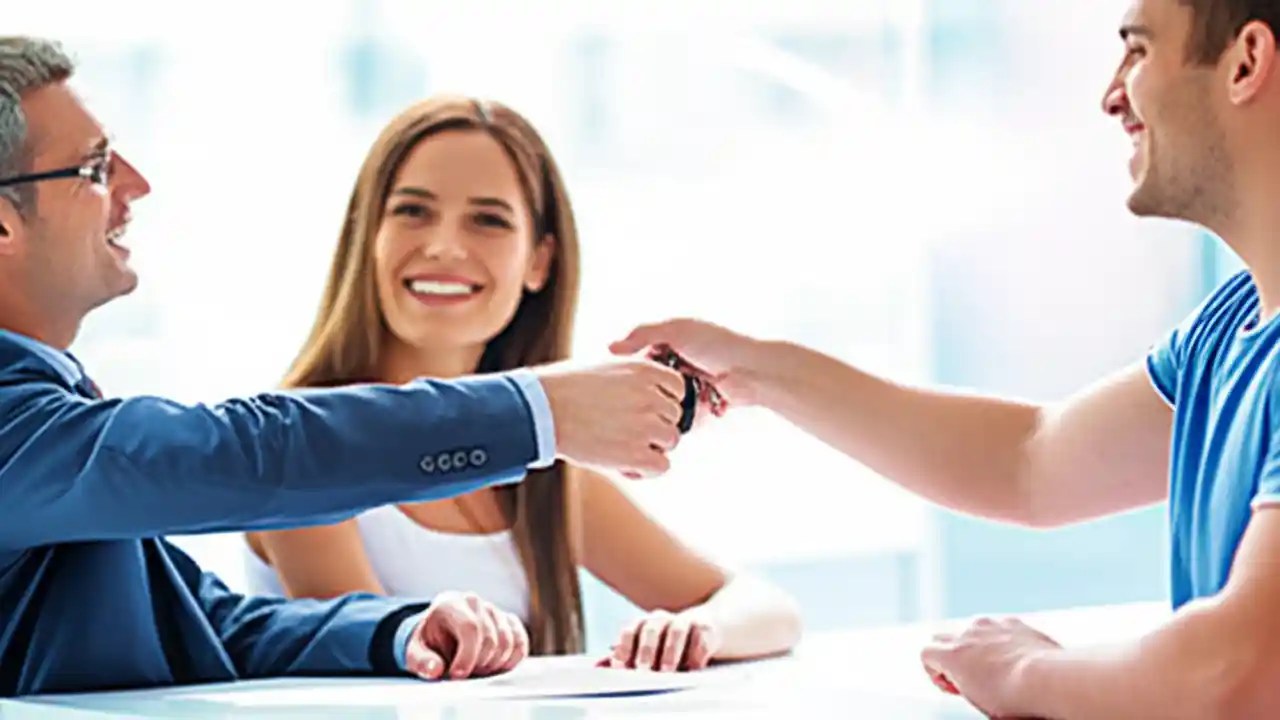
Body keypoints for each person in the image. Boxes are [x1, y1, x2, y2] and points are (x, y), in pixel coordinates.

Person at [611, 0, 1280, 716]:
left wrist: (1023, 671)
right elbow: (1030, 460)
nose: (1112, 94)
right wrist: (754, 371)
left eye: (1139, 52)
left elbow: (1236, 672)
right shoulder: (1232, 326)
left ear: (1246, 62)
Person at [0, 37, 692, 697]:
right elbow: (250, 452)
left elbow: (196, 626)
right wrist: (537, 412)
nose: (137, 184)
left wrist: (397, 630)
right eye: (94, 168)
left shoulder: (47, 407)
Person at [243, 96, 802, 674]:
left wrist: (695, 628)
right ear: (369, 236)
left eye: (488, 220)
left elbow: (770, 611)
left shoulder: (544, 469)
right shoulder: (302, 438)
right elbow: (392, 671)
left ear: (539, 262)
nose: (444, 246)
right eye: (413, 211)